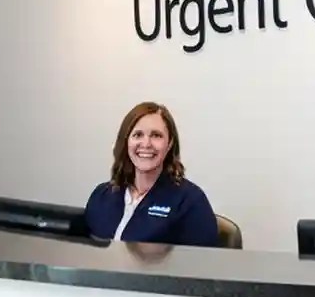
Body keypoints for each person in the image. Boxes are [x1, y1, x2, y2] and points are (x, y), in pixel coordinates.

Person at [84, 102, 220, 247]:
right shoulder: (101, 196)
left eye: (156, 135)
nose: (146, 143)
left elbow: (202, 266)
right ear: (126, 142)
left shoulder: (190, 202)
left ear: (169, 144)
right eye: (138, 135)